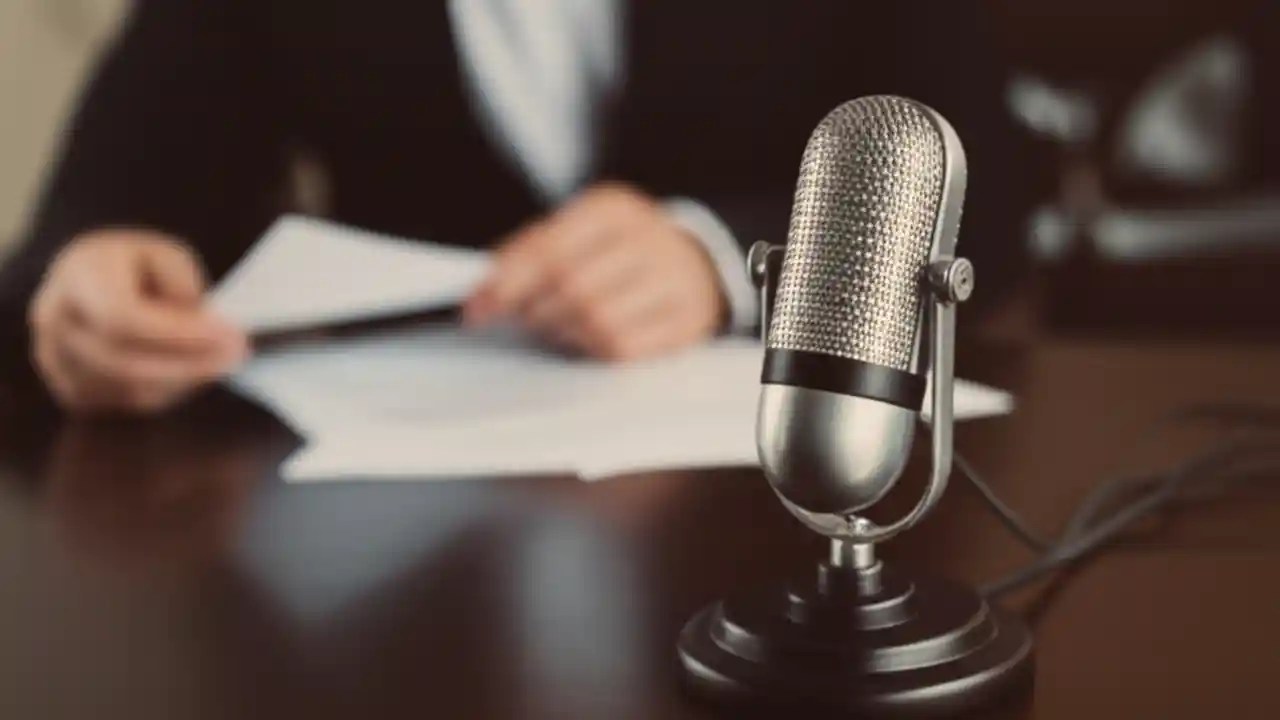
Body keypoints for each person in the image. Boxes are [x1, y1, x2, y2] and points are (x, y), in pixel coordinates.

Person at [0, 1, 1028, 414]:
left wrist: (721, 259)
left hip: (787, 511)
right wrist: (87, 283)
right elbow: (96, 216)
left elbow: (984, 201)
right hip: (398, 547)